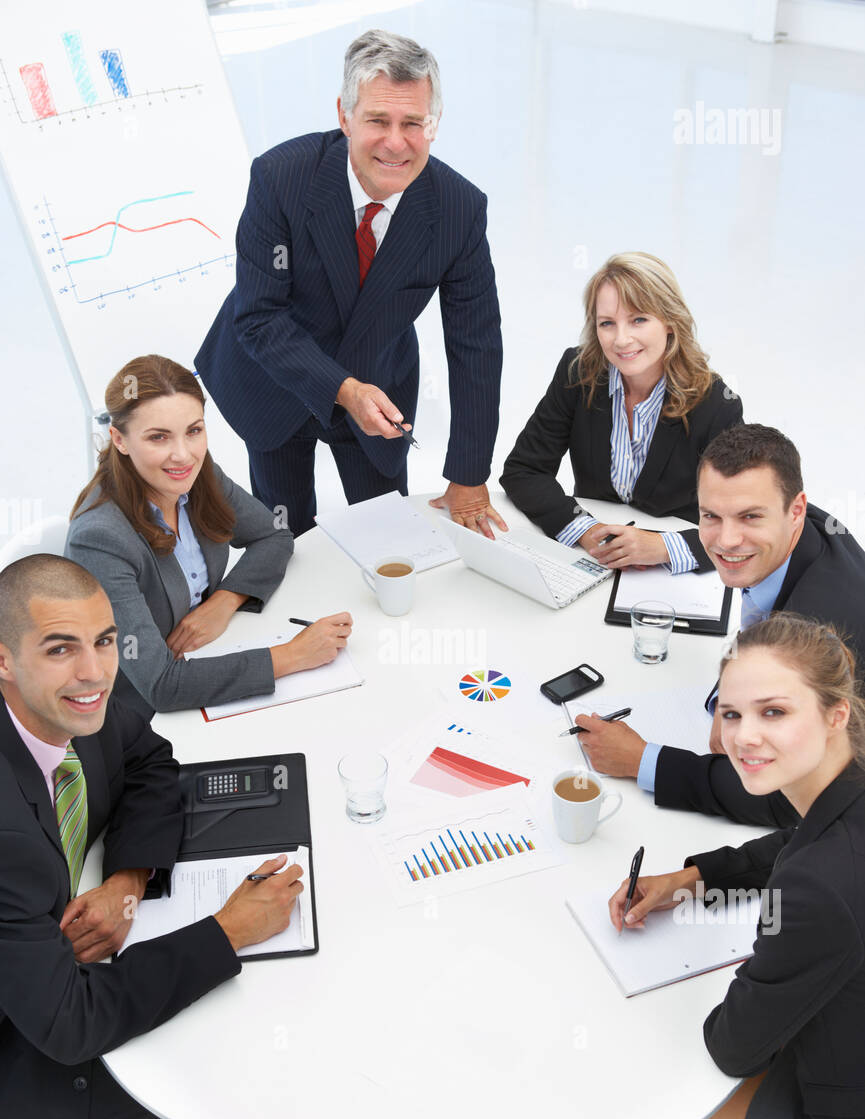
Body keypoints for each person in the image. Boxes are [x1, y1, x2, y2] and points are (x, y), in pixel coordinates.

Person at [0, 555, 303, 1119]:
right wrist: (227, 932)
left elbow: (151, 760)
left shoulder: (81, 702)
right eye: (60, 648)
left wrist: (127, 882)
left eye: (104, 641)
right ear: (3, 661)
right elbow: (68, 1025)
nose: (94, 671)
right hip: (20, 1042)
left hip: (60, 936)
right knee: (197, 1104)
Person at [609, 613, 865, 1119]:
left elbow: (730, 1048)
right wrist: (693, 878)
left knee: (656, 1081)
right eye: (729, 713)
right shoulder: (847, 792)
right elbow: (800, 840)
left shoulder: (817, 890)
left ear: (835, 712)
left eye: (772, 712)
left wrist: (759, 962)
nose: (742, 737)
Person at [195, 29, 504, 539]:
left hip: (378, 384)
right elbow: (259, 317)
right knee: (285, 540)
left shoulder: (459, 209)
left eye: (413, 123)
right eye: (377, 120)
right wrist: (343, 389)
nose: (396, 142)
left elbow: (476, 344)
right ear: (344, 115)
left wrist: (469, 474)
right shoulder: (280, 178)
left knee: (390, 540)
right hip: (275, 380)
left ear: (435, 123)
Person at [577, 424, 865, 826]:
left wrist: (646, 762)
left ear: (795, 509)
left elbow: (795, 796)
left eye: (749, 517)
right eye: (711, 515)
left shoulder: (817, 636)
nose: (726, 541)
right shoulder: (804, 531)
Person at [65, 355, 352, 717]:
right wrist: (293, 655)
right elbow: (160, 686)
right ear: (119, 439)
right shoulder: (99, 538)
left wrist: (225, 601)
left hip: (212, 653)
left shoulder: (199, 475)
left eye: (194, 430)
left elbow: (275, 536)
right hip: (139, 711)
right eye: (158, 437)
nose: (183, 455)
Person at [499, 252, 742, 571]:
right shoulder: (577, 373)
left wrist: (664, 547)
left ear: (670, 321)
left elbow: (744, 519)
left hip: (671, 576)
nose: (621, 339)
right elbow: (524, 470)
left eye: (638, 319)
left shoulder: (715, 404)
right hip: (593, 560)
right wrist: (584, 530)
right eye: (607, 324)